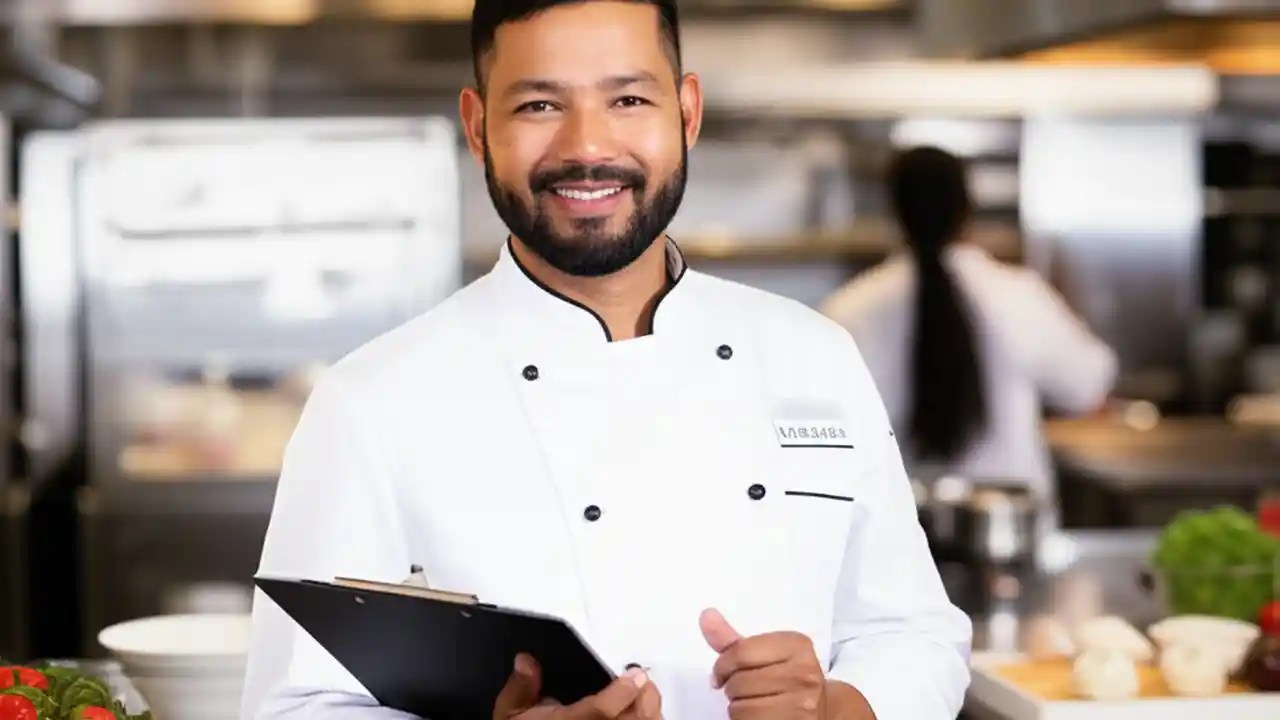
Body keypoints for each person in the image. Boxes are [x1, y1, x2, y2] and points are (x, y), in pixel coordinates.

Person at [241, 3, 971, 719]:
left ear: (686, 113)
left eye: (627, 98)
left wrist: (837, 707)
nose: (587, 147)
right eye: (537, 106)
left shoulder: (813, 356)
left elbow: (913, 635)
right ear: (476, 127)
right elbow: (297, 704)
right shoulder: (371, 400)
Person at [822, 147, 1117, 503]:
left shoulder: (849, 310)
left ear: (894, 211)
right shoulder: (1017, 295)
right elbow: (1087, 385)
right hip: (1007, 529)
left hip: (895, 531)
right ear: (967, 206)